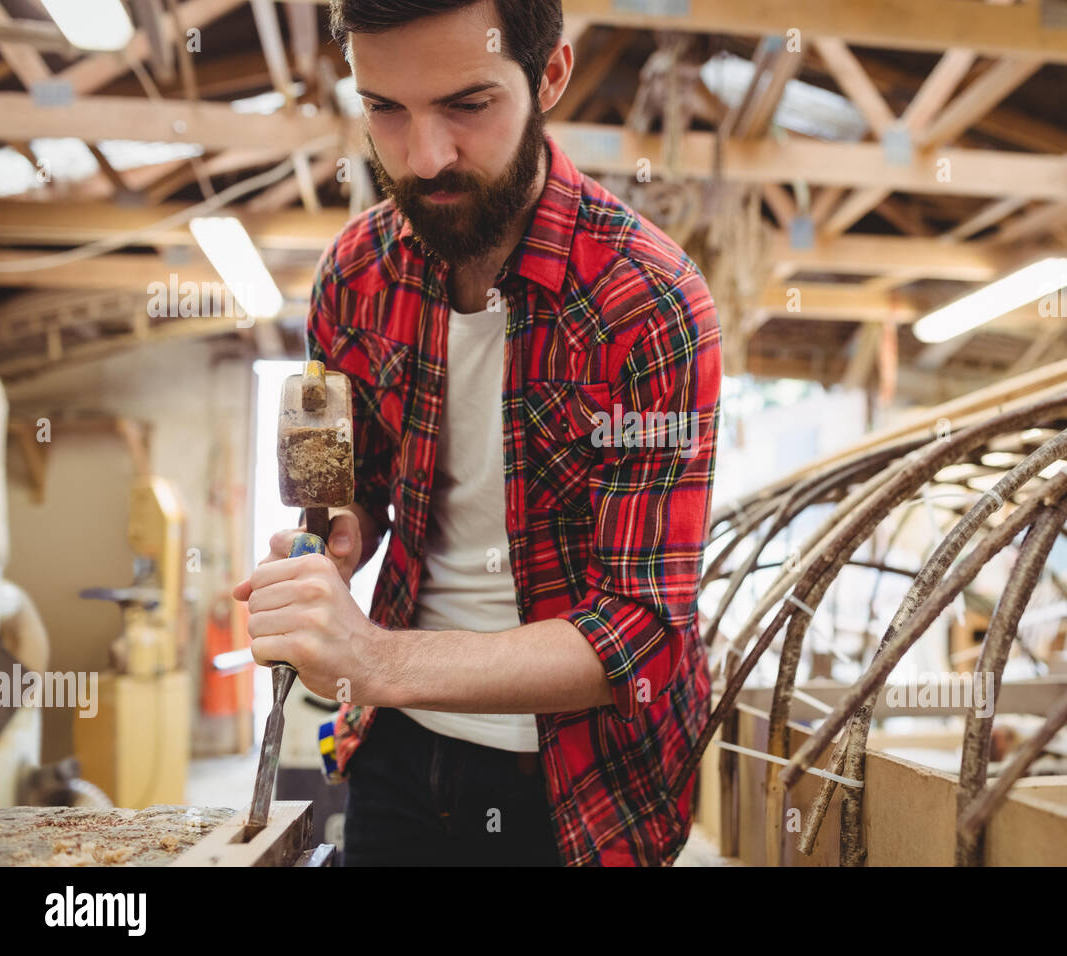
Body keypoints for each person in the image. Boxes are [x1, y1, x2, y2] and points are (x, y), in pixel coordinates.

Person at [232, 0, 721, 866]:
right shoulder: (354, 274)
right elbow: (352, 486)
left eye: (468, 104)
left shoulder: (650, 305)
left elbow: (636, 627)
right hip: (397, 748)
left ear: (551, 77)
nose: (425, 158)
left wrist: (373, 660)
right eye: (386, 108)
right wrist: (340, 533)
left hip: (581, 780)